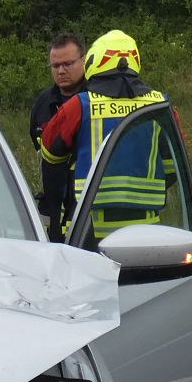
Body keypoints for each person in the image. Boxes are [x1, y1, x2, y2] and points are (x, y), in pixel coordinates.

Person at [37, 29, 171, 243]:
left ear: (92, 61)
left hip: (88, 228)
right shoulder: (160, 105)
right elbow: (173, 168)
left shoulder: (79, 105)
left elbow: (50, 157)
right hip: (146, 228)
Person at [29, 32, 86, 242]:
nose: (61, 71)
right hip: (53, 207)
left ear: (84, 60)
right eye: (55, 66)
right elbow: (36, 143)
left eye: (68, 64)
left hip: (87, 207)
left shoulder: (95, 101)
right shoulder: (43, 103)